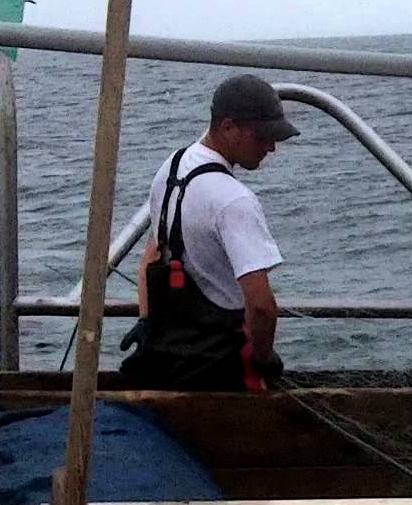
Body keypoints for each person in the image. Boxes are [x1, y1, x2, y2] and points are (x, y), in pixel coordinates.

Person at [119, 73, 299, 391]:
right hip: (221, 363)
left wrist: (146, 322)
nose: (271, 147)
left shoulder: (170, 169)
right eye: (262, 137)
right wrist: (264, 358)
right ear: (228, 127)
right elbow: (260, 306)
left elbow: (150, 259)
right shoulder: (233, 200)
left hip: (167, 357)